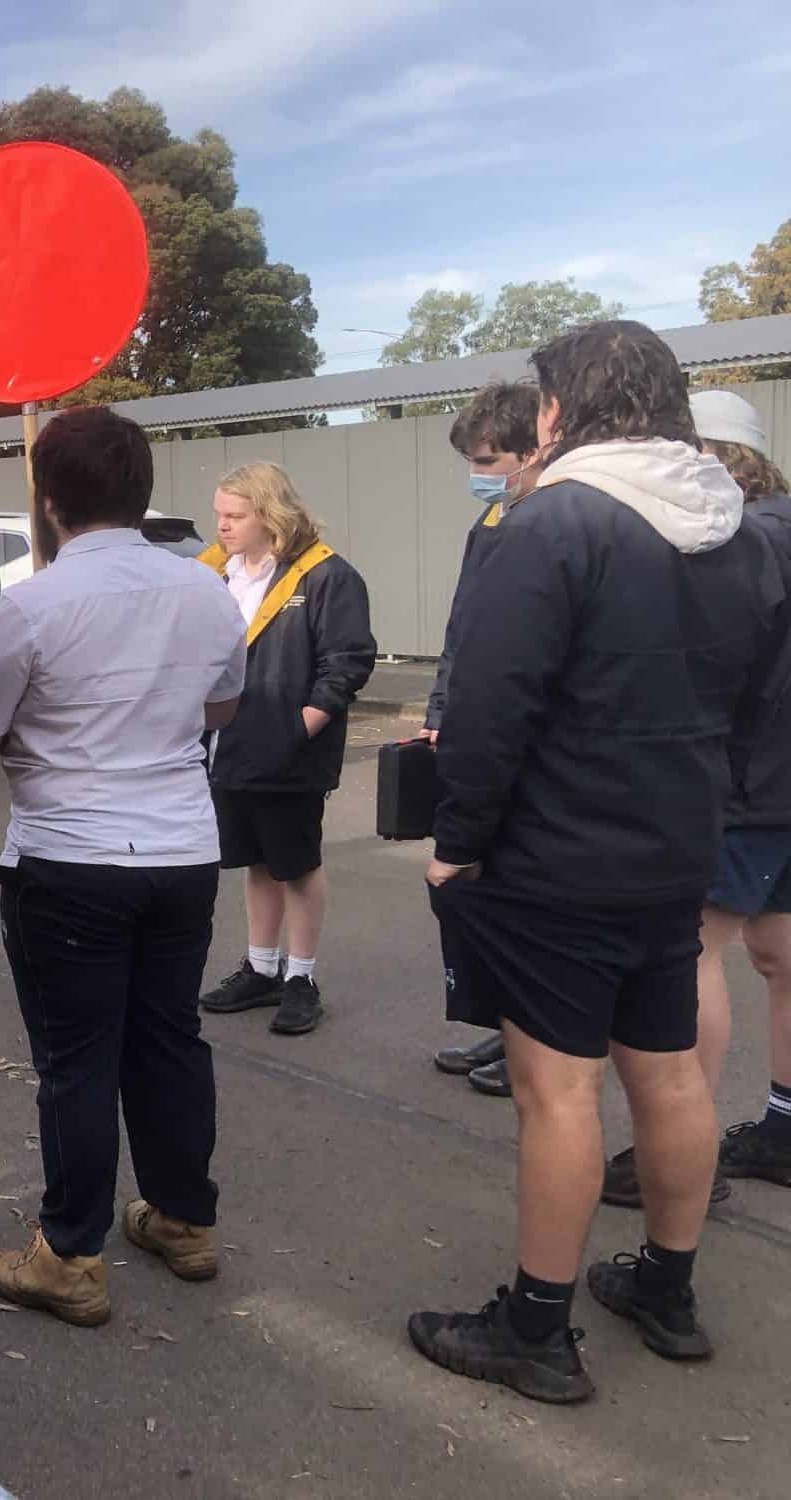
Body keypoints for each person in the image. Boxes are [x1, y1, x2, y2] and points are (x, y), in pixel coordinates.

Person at [411, 321, 784, 1403]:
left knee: (557, 1088)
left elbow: (488, 711)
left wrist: (456, 844)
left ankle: (535, 1327)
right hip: (678, 848)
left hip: (556, 855)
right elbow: (754, 700)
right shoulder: (738, 530)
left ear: (559, 409)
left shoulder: (549, 524)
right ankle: (666, 1289)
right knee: (667, 1072)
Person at [0, 408, 246, 1327]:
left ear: (49, 501)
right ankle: (183, 1217)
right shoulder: (207, 591)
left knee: (76, 1061)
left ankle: (70, 1255)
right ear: (143, 491)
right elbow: (221, 708)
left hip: (70, 857)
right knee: (169, 1039)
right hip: (182, 851)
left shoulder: (30, 607)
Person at [600, 389, 791, 1208]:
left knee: (694, 951)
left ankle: (683, 1151)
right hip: (778, 784)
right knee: (781, 952)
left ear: (708, 456)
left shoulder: (738, 541)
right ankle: (783, 1130)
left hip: (744, 784)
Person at [196, 463, 374, 1036]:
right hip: (228, 746)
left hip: (290, 749)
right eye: (220, 514)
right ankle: (261, 968)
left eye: (235, 515)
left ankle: (301, 978)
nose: (222, 526)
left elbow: (346, 664)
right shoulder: (213, 569)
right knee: (257, 859)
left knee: (296, 864)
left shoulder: (325, 576)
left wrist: (299, 730)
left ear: (271, 514)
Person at [427, 383, 544, 1099]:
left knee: (525, 907)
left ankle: (533, 1045)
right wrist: (442, 706)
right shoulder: (494, 520)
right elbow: (463, 629)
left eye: (488, 460)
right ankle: (505, 1028)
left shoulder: (551, 527)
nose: (478, 474)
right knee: (488, 901)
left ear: (534, 450)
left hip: (528, 755)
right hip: (474, 729)